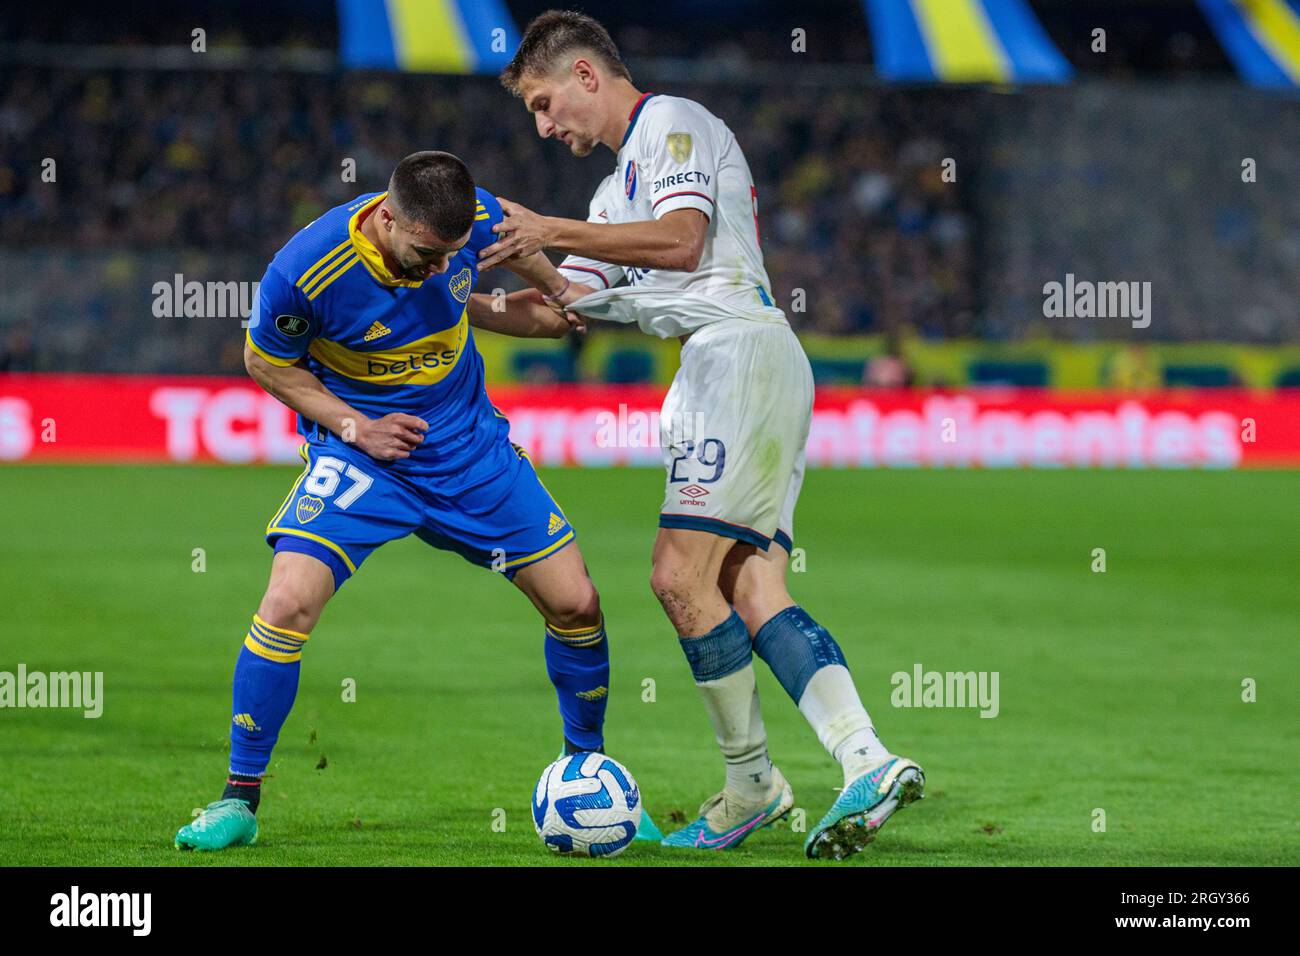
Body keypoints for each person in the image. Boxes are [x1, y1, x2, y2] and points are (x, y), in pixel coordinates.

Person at [482, 12, 925, 859]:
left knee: (677, 576)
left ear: (585, 76)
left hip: (737, 355)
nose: (543, 126)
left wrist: (546, 229)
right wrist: (453, 304)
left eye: (543, 104)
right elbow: (555, 308)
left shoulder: (672, 123)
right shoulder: (611, 197)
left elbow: (684, 244)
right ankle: (863, 758)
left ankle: (754, 782)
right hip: (719, 370)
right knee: (750, 587)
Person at [175, 150, 613, 850]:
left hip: (468, 448)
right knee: (287, 601)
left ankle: (587, 776)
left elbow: (514, 249)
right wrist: (355, 427)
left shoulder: (470, 219)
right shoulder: (306, 270)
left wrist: (557, 290)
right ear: (386, 216)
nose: (440, 267)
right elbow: (265, 360)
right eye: (425, 253)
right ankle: (239, 799)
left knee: (576, 603)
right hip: (363, 454)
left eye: (451, 252)